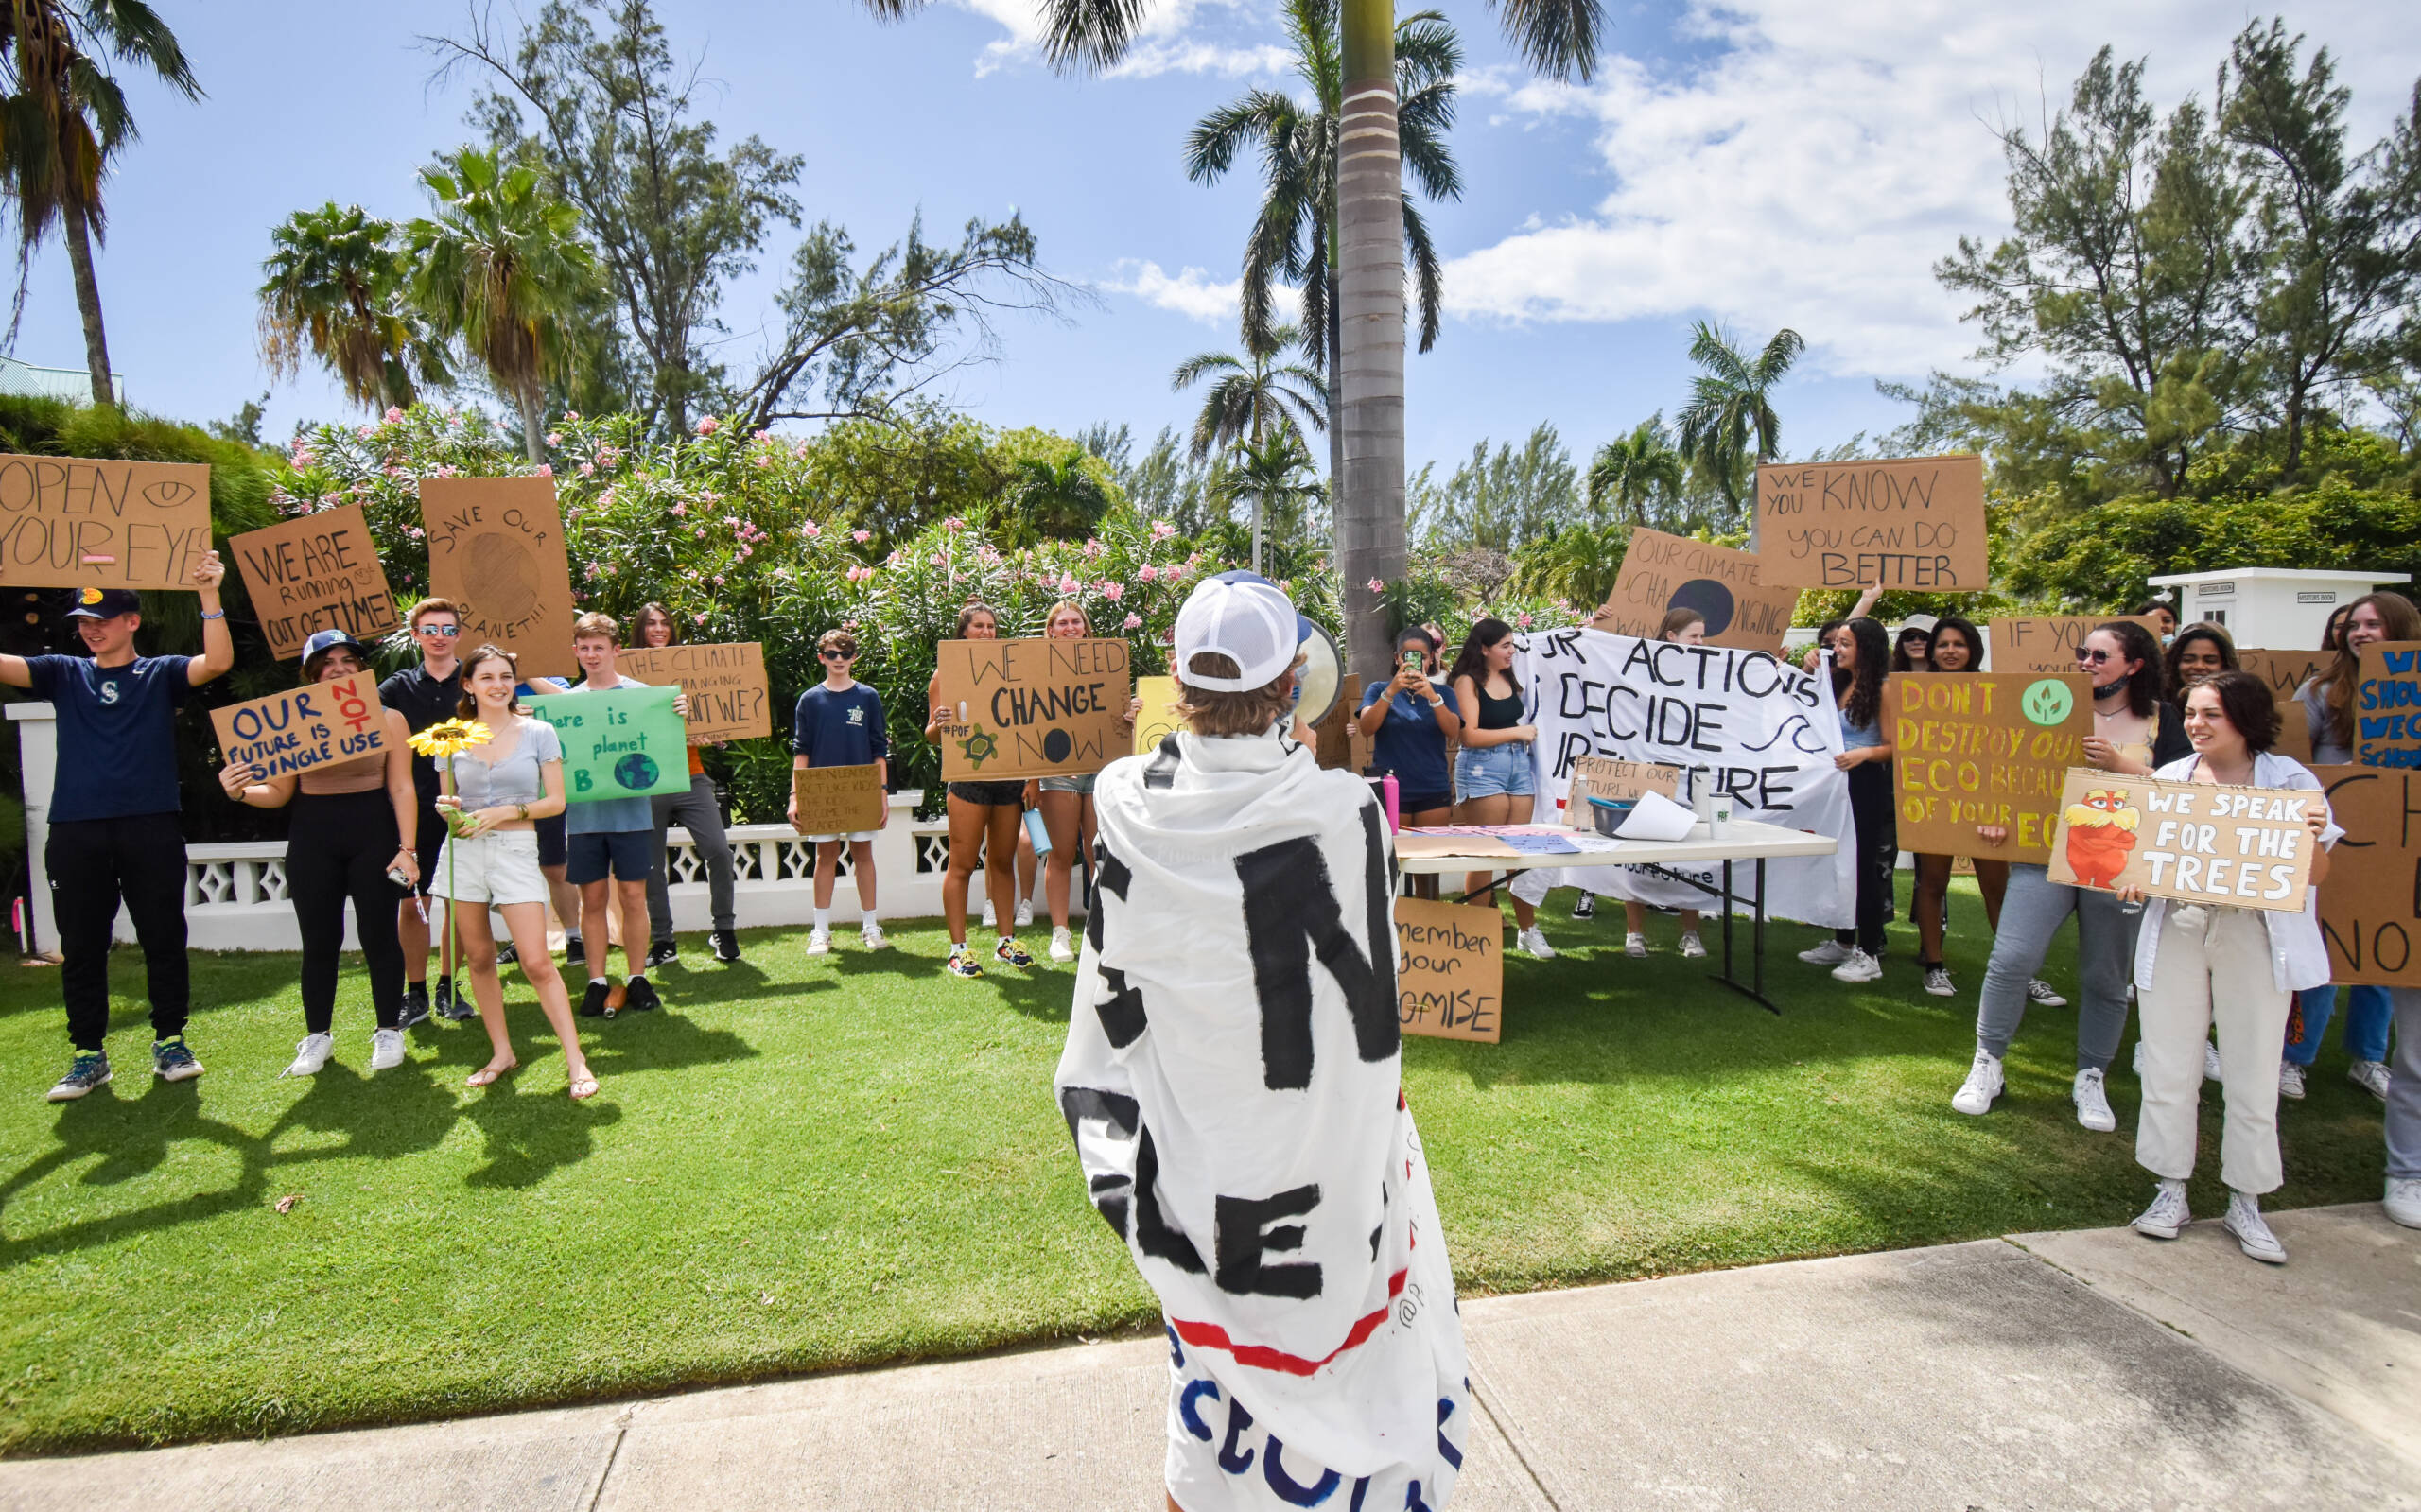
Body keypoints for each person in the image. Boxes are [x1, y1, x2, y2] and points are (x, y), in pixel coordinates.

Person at [1054, 570, 1470, 1512]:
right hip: (1321, 1165)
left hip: (1195, 1154)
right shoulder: (1347, 812)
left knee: (1203, 1385)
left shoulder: (1122, 798)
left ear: (1175, 677)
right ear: (1291, 684)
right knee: (1351, 1369)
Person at [2122, 670, 2335, 1263]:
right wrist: (2134, 882)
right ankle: (2170, 1191)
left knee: (2253, 1065)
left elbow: (2316, 877)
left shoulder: (2291, 781)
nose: (2196, 724)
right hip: (2182, 927)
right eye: (2190, 713)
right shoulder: (2169, 779)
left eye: (2210, 714)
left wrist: (2312, 837)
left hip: (2256, 933)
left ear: (2244, 716)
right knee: (2168, 1061)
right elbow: (2141, 861)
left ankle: (2247, 1200)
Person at [1953, 619, 2192, 1132]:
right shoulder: (2050, 706)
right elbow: (2014, 769)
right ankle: (1987, 1063)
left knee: (2106, 976)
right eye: (2083, 653)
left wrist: (2120, 766)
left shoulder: (2163, 720)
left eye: (2100, 656)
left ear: (2135, 666)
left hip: (2121, 866)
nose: (2086, 663)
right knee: (2012, 956)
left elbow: (2187, 790)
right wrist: (2001, 817)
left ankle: (2091, 1076)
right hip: (2042, 855)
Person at [9, 562, 234, 1101]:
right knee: (82, 945)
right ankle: (88, 1054)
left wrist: (208, 593)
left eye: (103, 618)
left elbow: (218, 662)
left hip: (149, 824)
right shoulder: (63, 671)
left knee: (163, 937)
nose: (91, 628)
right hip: (76, 830)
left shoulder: (159, 673)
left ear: (131, 621)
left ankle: (170, 1041)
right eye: (85, 619)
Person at [218, 630, 420, 1076]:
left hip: (373, 831)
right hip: (313, 836)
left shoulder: (389, 718)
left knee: (379, 936)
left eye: (348, 660)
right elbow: (277, 793)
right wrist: (240, 792)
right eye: (327, 663)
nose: (339, 668)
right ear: (311, 675)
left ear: (363, 670)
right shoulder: (292, 726)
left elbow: (403, 786)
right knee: (319, 942)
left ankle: (389, 1029)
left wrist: (408, 850)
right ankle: (317, 1038)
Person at [427, 644, 598, 1099]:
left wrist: (503, 812)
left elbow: (556, 801)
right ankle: (502, 1051)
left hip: (516, 849)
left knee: (537, 961)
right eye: (487, 677)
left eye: (505, 675)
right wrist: (448, 808)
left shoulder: (539, 731)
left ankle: (576, 1059)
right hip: (463, 852)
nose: (498, 685)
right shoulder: (449, 737)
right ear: (468, 685)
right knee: (479, 958)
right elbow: (447, 799)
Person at [2287, 590, 2419, 1103]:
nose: (2360, 634)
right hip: (2335, 835)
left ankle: (2368, 1056)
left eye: (2374, 625)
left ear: (2401, 631)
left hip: (2400, 840)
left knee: (2384, 949)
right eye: (2355, 626)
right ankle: (2296, 1057)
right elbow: (2292, 759)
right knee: (2327, 944)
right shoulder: (2321, 690)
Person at [1903, 615, 2061, 1002]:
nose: (1950, 651)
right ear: (1933, 651)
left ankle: (2020, 973)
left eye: (1958, 644)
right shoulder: (1916, 692)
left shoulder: (1996, 690)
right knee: (1933, 883)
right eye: (1943, 644)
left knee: (1997, 887)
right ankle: (1934, 968)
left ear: (1973, 648)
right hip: (1935, 800)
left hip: (1988, 805)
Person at [562, 613, 684, 1018]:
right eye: (585, 648)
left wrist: (677, 712)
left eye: (599, 647)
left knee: (633, 896)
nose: (592, 655)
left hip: (632, 816)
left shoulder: (642, 696)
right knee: (592, 899)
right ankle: (597, 982)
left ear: (616, 651)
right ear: (576, 652)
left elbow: (664, 746)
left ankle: (636, 977)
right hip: (584, 819)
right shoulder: (566, 707)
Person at [1025, 600, 1141, 964]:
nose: (1070, 627)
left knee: (1099, 854)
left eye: (1076, 621)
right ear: (1050, 630)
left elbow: (1116, 718)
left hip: (1101, 770)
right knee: (1060, 856)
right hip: (1057, 773)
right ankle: (1061, 934)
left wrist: (1132, 713)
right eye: (1062, 622)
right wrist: (1032, 776)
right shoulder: (1035, 671)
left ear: (1086, 628)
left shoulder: (1107, 667)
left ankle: (1100, 931)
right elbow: (1025, 723)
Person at [628, 603, 742, 967]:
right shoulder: (623, 679)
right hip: (645, 778)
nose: (659, 629)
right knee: (649, 865)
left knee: (719, 851)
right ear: (640, 631)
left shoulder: (692, 672)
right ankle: (663, 941)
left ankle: (723, 929)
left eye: (664, 623)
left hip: (691, 774)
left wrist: (693, 714)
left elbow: (711, 727)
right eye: (651, 624)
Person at [1599, 608, 1712, 957]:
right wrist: (1598, 624)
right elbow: (1598, 657)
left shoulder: (1709, 671)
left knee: (1689, 857)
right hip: (1643, 770)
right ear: (1671, 637)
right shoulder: (1640, 666)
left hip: (1686, 773)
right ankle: (1635, 934)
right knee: (1634, 855)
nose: (1701, 643)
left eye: (1702, 636)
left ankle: (1690, 933)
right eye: (1694, 636)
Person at [380, 598, 470, 1025]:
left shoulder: (473, 682)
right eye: (430, 629)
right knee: (412, 903)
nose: (439, 637)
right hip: (411, 811)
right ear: (415, 635)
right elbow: (353, 725)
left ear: (458, 635)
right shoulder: (396, 688)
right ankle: (413, 993)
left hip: (466, 809)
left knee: (459, 903)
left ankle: (449, 989)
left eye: (448, 629)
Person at [927, 602, 1026, 978]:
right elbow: (932, 736)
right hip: (968, 780)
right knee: (963, 864)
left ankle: (1006, 942)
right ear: (963, 632)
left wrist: (1031, 779)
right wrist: (940, 723)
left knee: (1002, 862)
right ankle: (958, 951)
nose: (986, 632)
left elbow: (1027, 725)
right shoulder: (944, 675)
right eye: (979, 626)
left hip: (1008, 779)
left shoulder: (1014, 670)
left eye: (991, 626)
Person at [1797, 617, 1894, 982]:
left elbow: (1895, 747)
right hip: (1833, 785)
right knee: (1835, 863)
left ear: (1865, 649)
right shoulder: (1838, 682)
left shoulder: (1883, 690)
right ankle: (1842, 941)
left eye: (1845, 644)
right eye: (1836, 643)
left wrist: (1864, 755)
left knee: (1862, 866)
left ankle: (1868, 953)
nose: (1836, 650)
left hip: (1863, 783)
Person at [1451, 617, 1551, 958]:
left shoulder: (1510, 673)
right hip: (1482, 768)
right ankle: (1476, 939)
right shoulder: (1467, 681)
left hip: (1518, 766)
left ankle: (1528, 930)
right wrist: (1518, 733)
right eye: (1505, 645)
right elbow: (1469, 735)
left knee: (1518, 855)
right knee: (1487, 854)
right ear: (1484, 649)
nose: (1512, 651)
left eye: (1512, 644)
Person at [789, 627, 891, 957]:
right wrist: (795, 796)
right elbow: (801, 750)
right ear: (822, 658)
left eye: (845, 654)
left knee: (864, 855)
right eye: (832, 654)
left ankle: (871, 926)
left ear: (854, 658)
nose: (838, 660)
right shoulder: (810, 699)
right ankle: (820, 931)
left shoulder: (868, 697)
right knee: (825, 857)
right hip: (822, 791)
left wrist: (882, 792)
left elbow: (879, 748)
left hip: (861, 788)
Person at [1355, 625, 1459, 901]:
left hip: (1432, 791)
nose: (1416, 662)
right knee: (1390, 867)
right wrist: (1390, 693)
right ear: (1397, 658)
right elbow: (1367, 727)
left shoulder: (1444, 694)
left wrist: (1433, 698)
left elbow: (1454, 732)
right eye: (1407, 655)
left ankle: (1427, 929)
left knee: (1428, 871)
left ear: (1431, 659)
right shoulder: (1378, 689)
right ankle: (1391, 933)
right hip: (1391, 792)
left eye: (1422, 656)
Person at [2164, 623, 2235, 694]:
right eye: (2188, 660)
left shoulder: (2241, 702)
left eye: (2210, 661)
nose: (2199, 666)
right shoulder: (2160, 701)